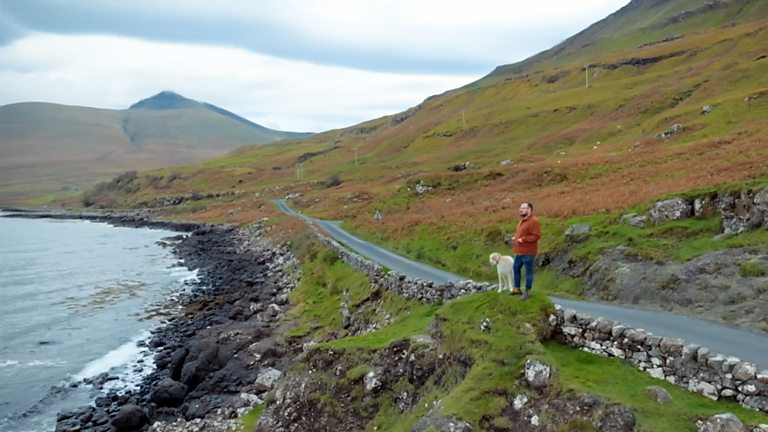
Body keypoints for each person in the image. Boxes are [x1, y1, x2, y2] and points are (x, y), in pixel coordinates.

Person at [511, 202, 541, 300]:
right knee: (516, 268)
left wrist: (523, 239)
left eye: (523, 208)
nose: (521, 210)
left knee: (528, 271)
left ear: (529, 210)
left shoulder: (533, 221)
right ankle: (517, 289)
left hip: (528, 252)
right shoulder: (522, 220)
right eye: (520, 208)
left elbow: (536, 236)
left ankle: (528, 292)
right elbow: (524, 233)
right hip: (518, 251)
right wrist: (516, 238)